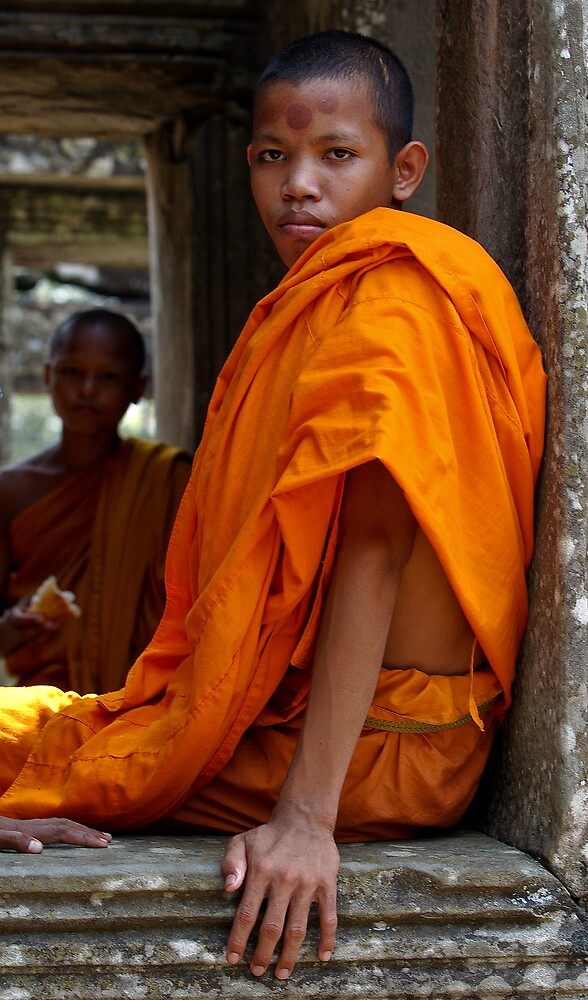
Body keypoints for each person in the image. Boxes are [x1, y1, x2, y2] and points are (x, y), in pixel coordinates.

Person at [0, 31, 547, 983]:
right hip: (313, 720)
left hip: (385, 751)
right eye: (272, 157)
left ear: (404, 168)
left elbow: (376, 549)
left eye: (337, 155)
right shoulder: (324, 300)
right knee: (41, 731)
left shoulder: (398, 302)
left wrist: (305, 820)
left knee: (41, 751)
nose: (299, 184)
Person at [0, 309, 192, 693]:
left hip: (148, 704)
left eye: (108, 377)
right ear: (49, 376)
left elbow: (194, 605)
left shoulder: (166, 480)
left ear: (137, 389)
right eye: (72, 372)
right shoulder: (12, 490)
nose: (87, 389)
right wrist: (13, 626)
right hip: (44, 707)